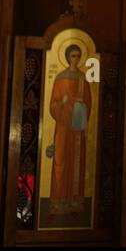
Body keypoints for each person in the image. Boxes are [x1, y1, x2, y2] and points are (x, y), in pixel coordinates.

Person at [48, 44, 92, 216]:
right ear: (67, 57)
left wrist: (82, 108)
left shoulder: (83, 79)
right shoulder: (60, 78)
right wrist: (63, 102)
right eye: (72, 55)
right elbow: (53, 104)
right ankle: (58, 201)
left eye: (78, 56)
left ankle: (75, 202)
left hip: (77, 128)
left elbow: (89, 103)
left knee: (76, 163)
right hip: (63, 127)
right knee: (60, 161)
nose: (75, 59)